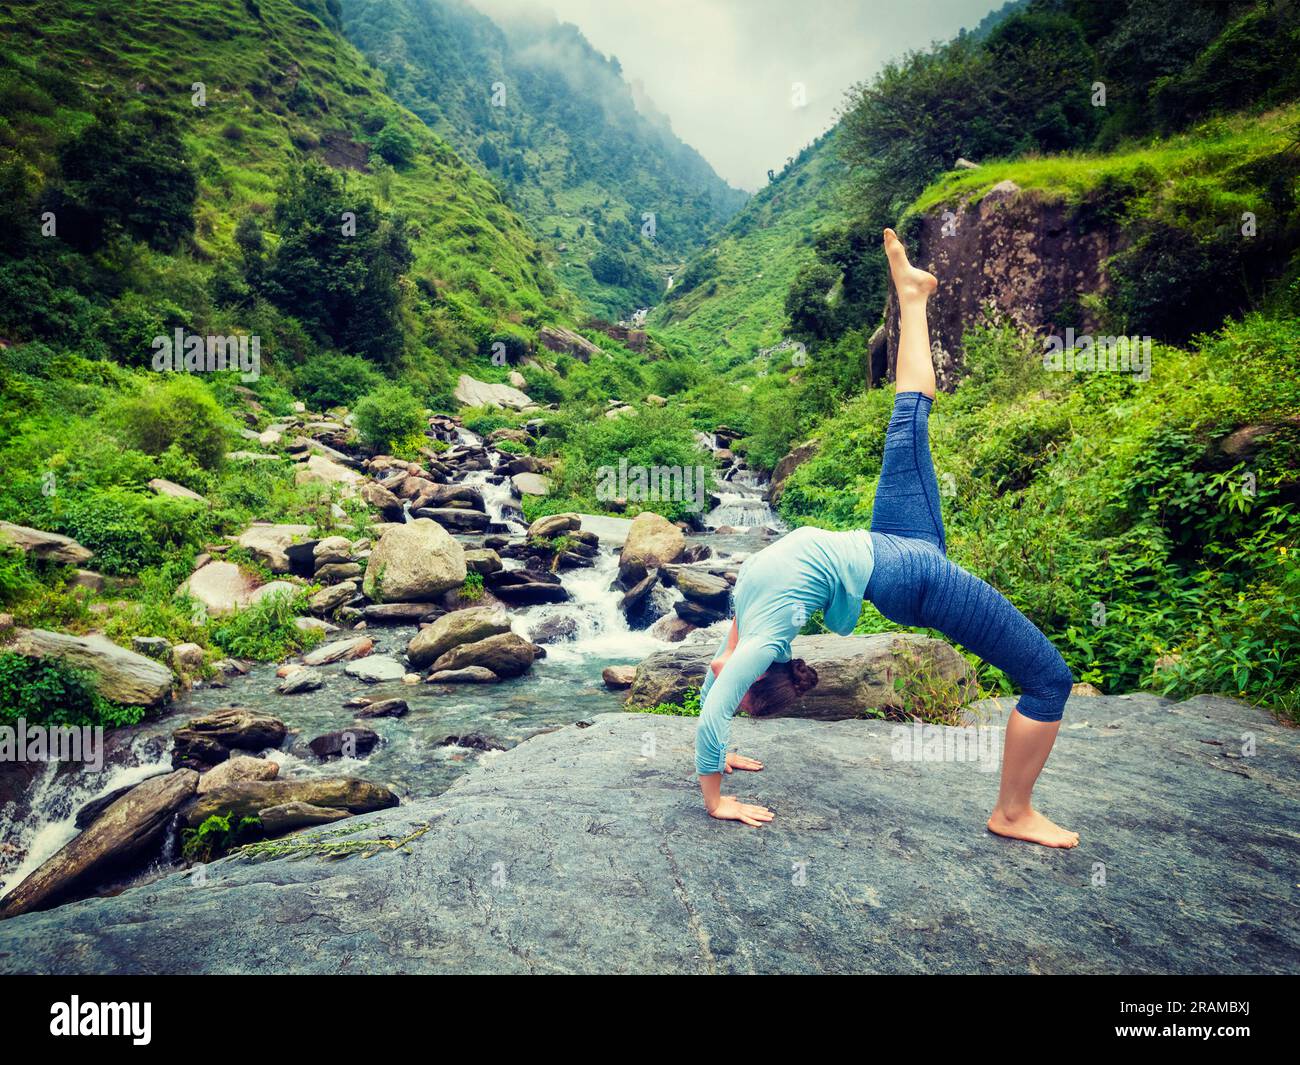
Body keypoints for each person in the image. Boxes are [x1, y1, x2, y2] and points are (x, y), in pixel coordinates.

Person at [694, 228, 1079, 848]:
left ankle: (913, 297)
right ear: (758, 675)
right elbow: (721, 679)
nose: (731, 682)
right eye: (743, 695)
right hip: (895, 564)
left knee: (909, 417)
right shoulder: (750, 605)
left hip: (900, 557)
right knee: (1048, 679)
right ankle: (1011, 813)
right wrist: (722, 750)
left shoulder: (759, 640)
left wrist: (716, 795)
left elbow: (718, 690)